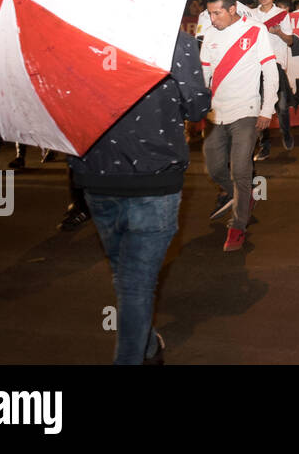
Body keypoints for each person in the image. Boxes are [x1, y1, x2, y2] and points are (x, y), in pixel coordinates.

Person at [70, 30, 211, 363]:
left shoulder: (76, 37)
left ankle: (148, 346)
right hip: (154, 175)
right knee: (135, 283)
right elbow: (196, 106)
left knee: (126, 275)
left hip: (95, 172)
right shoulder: (172, 39)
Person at [199, 0, 279, 252]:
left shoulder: (255, 31)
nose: (213, 19)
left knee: (241, 171)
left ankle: (237, 227)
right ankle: (243, 195)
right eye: (210, 14)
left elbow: (270, 72)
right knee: (215, 167)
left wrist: (267, 109)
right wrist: (198, 107)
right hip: (216, 115)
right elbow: (204, 76)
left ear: (232, 9)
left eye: (217, 13)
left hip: (246, 111)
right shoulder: (208, 36)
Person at [248, 0, 295, 159]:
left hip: (276, 64)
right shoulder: (251, 14)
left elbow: (290, 41)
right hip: (256, 65)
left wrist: (279, 33)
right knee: (260, 107)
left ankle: (286, 133)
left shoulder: (281, 15)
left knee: (281, 105)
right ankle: (264, 145)